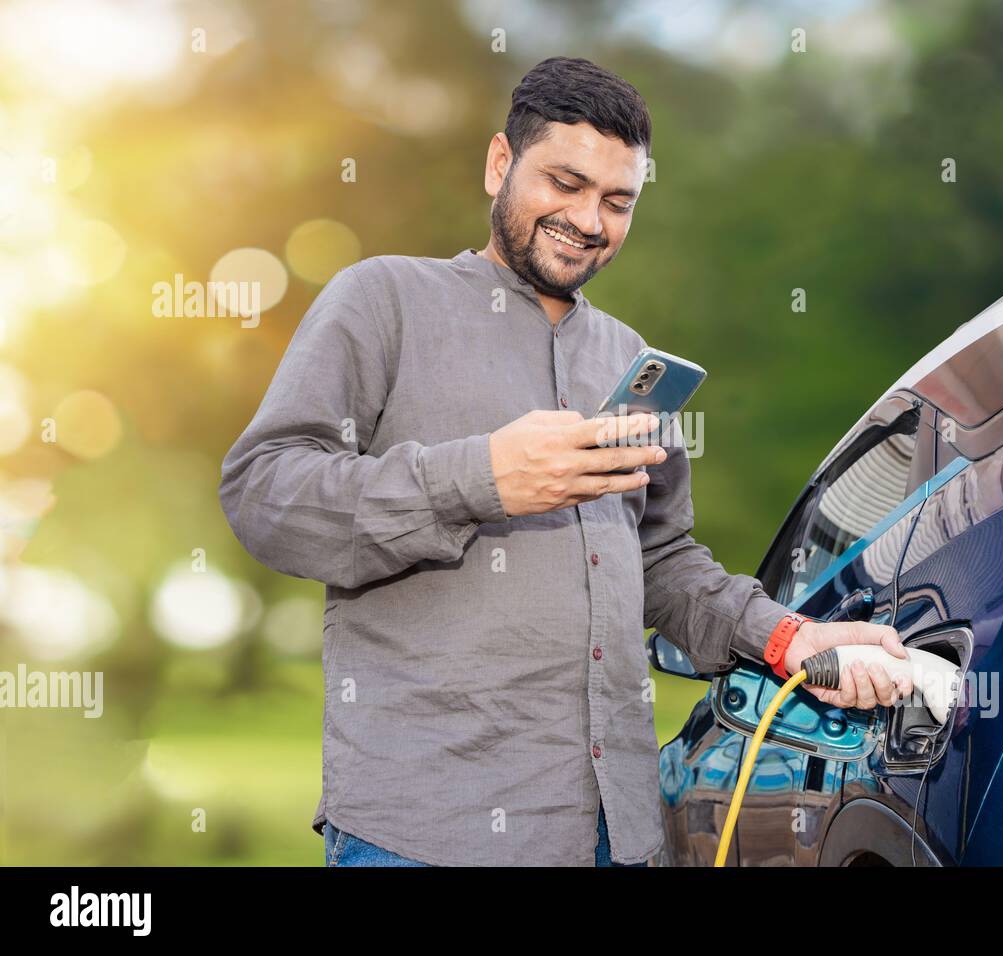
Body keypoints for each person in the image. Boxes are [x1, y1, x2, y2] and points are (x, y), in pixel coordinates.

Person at [219, 56, 912, 867]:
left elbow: (662, 562)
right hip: (425, 831)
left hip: (612, 833)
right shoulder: (382, 300)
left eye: (617, 202)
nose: (589, 219)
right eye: (564, 183)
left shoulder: (628, 359)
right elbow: (265, 490)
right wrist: (482, 478)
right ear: (499, 164)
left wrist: (794, 639)